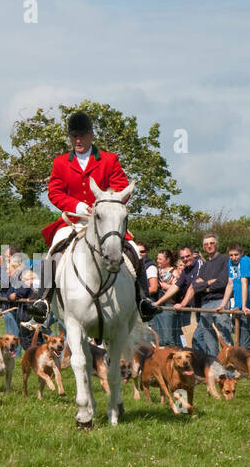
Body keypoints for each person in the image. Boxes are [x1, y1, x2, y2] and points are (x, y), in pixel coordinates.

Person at [27, 111, 158, 324]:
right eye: (74, 136)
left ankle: (143, 300)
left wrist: (104, 204)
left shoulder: (109, 159)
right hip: (74, 220)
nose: (78, 140)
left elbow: (123, 188)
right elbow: (54, 192)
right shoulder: (60, 162)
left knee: (133, 249)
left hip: (105, 220)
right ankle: (43, 300)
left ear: (91, 136)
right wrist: (76, 205)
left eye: (82, 136)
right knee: (54, 251)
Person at [191, 234, 231, 356]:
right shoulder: (204, 265)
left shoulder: (225, 259)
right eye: (206, 244)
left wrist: (206, 288)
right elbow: (195, 286)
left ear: (217, 244)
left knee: (224, 337)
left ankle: (230, 370)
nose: (209, 246)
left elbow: (223, 282)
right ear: (203, 247)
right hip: (205, 305)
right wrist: (208, 283)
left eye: (212, 243)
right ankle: (215, 369)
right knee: (209, 339)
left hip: (220, 301)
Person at [226, 241, 250, 347]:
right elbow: (230, 284)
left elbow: (245, 282)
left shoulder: (244, 261)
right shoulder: (230, 263)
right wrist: (223, 304)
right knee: (238, 342)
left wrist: (244, 305)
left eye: (236, 255)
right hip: (237, 307)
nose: (234, 258)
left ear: (241, 253)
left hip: (248, 307)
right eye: (231, 255)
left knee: (247, 343)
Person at [149, 249, 181, 346]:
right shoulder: (156, 271)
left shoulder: (174, 272)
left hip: (168, 306)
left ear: (168, 260)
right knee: (157, 336)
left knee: (168, 337)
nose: (157, 260)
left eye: (160, 259)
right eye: (157, 259)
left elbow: (176, 288)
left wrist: (163, 285)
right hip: (157, 305)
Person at [172, 246, 203, 347]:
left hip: (199, 306)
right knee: (188, 335)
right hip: (188, 307)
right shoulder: (186, 271)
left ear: (193, 254)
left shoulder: (199, 265)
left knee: (199, 337)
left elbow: (192, 287)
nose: (185, 259)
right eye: (182, 258)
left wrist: (182, 304)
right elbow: (176, 287)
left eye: (187, 256)